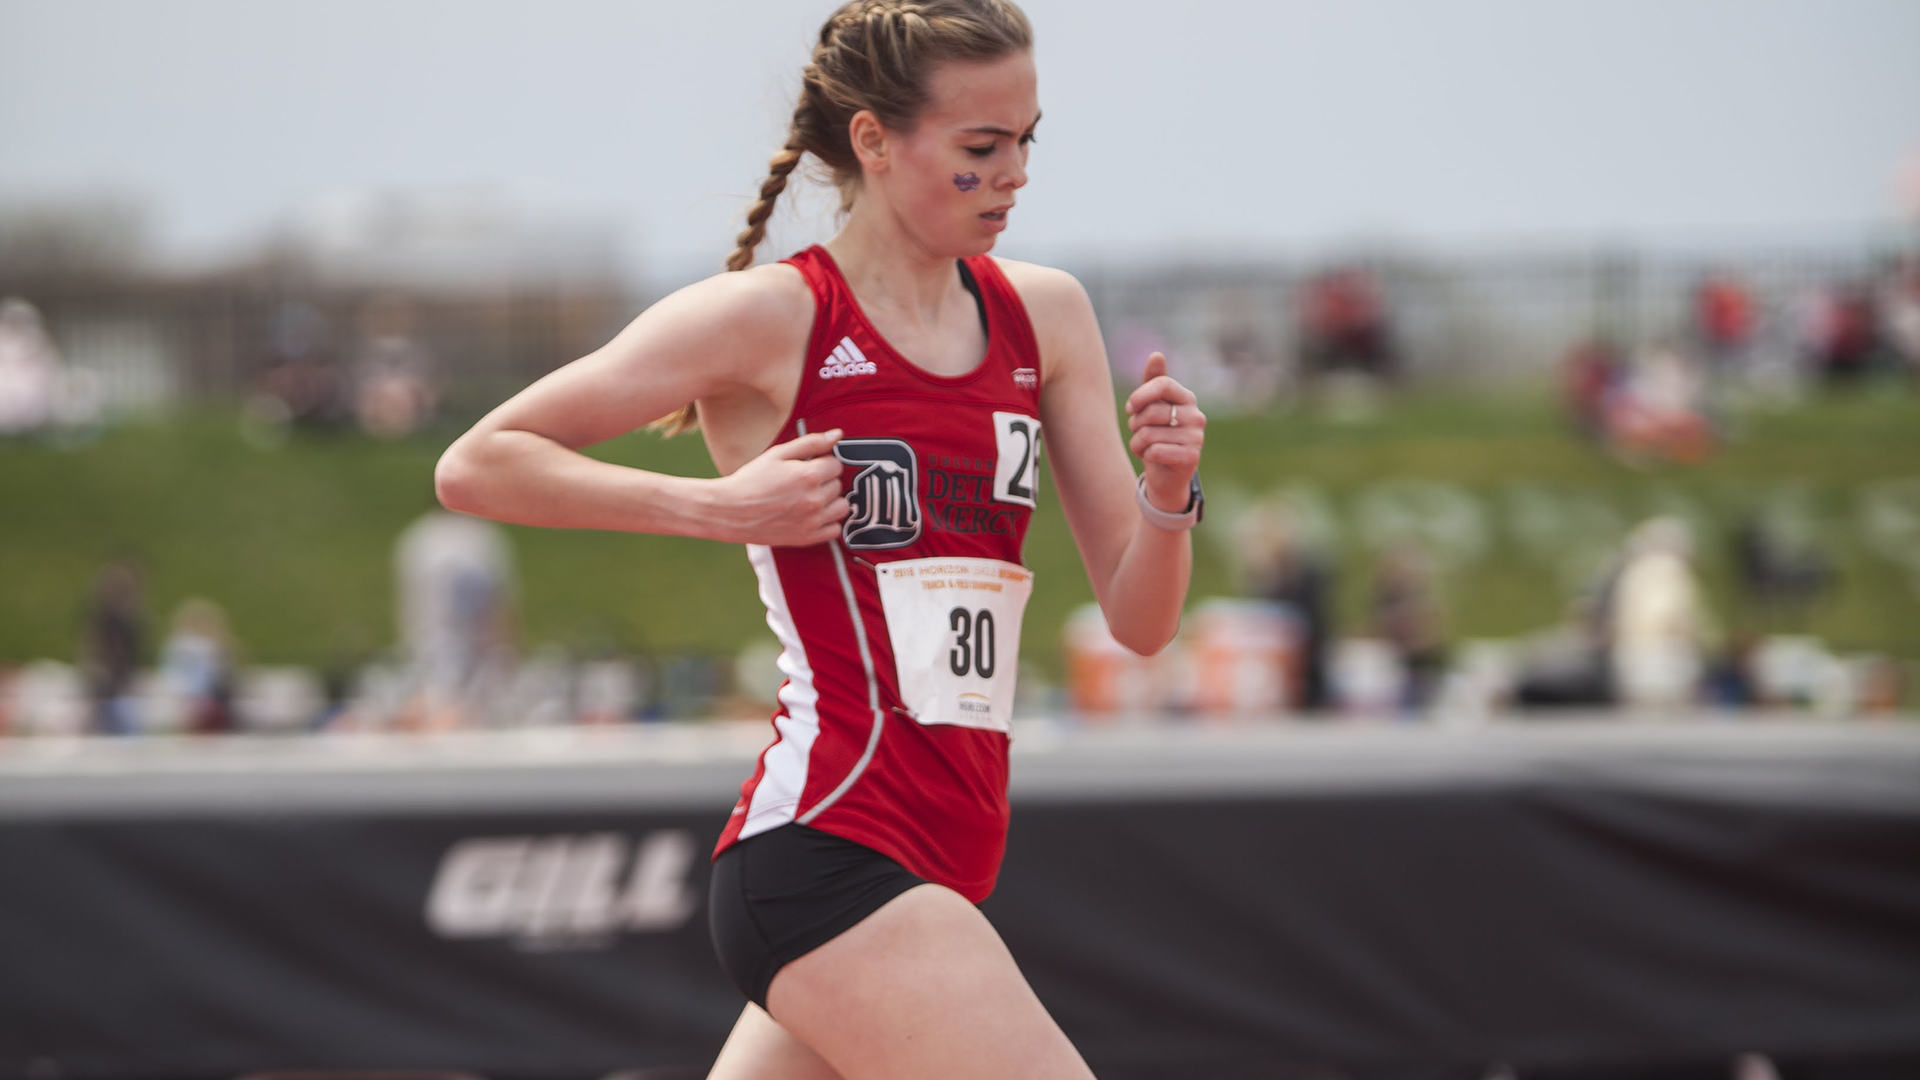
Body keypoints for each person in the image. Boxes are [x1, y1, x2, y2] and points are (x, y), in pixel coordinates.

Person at [432, 3, 1204, 1078]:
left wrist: (1170, 494)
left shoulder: (1047, 316)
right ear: (875, 142)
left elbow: (1143, 618)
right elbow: (477, 463)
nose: (1016, 174)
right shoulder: (770, 318)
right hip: (833, 849)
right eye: (981, 149)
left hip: (947, 852)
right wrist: (716, 508)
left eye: (1029, 140)